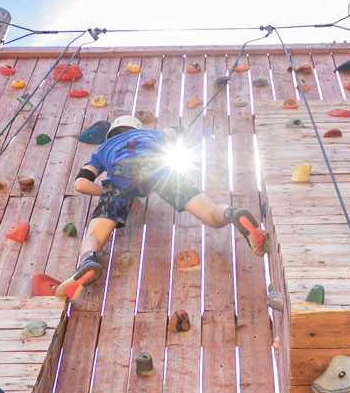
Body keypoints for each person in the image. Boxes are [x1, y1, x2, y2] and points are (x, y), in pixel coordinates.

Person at [56, 115, 269, 300]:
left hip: (121, 176)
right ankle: (231, 214)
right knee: (210, 214)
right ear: (136, 129)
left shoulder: (102, 149)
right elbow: (180, 132)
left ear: (111, 134)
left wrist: (109, 191)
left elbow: (80, 184)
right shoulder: (152, 134)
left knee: (95, 235)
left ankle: (88, 260)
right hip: (158, 168)